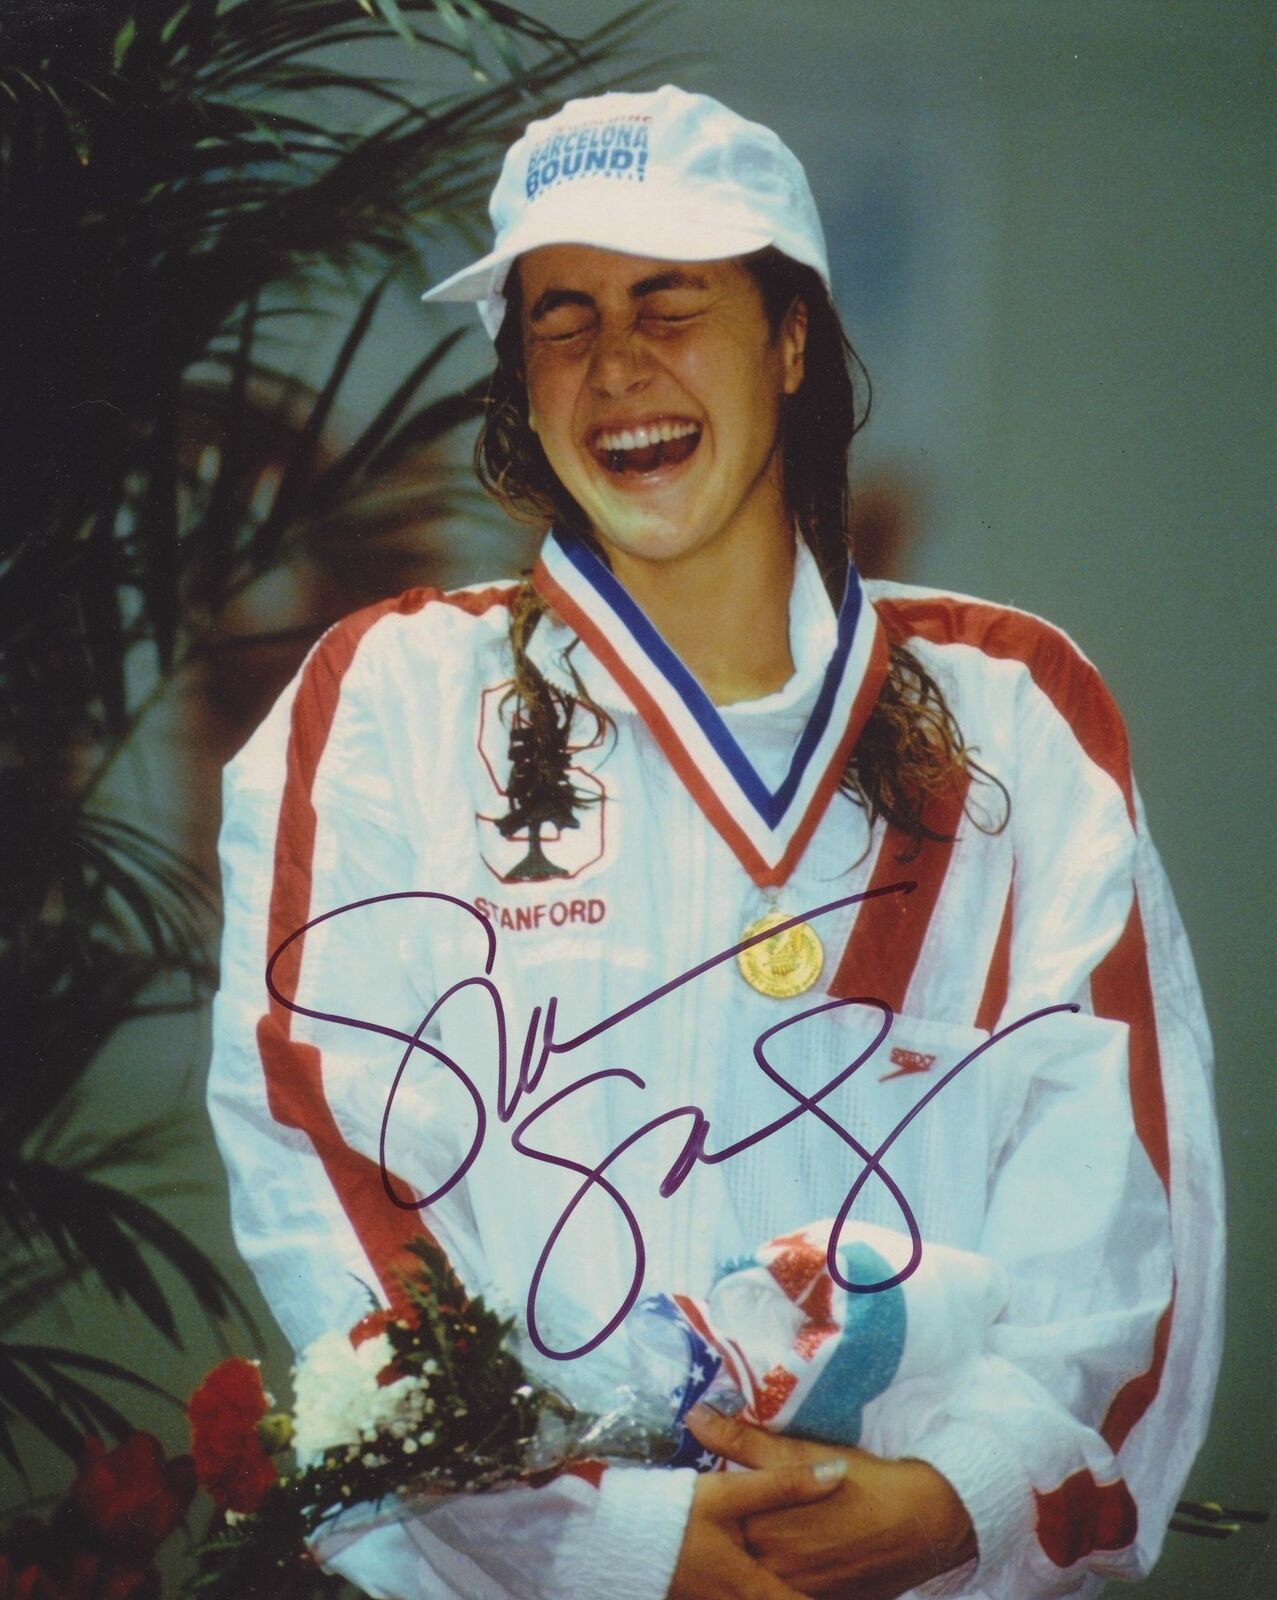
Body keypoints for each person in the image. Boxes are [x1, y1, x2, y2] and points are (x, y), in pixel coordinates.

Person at [208, 85, 1224, 1600]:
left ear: (792, 339)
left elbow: (1122, 1189)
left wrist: (966, 1491)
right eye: (559, 319)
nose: (615, 366)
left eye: (669, 303)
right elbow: (329, 1175)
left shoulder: (1011, 710)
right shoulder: (387, 705)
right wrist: (601, 1540)